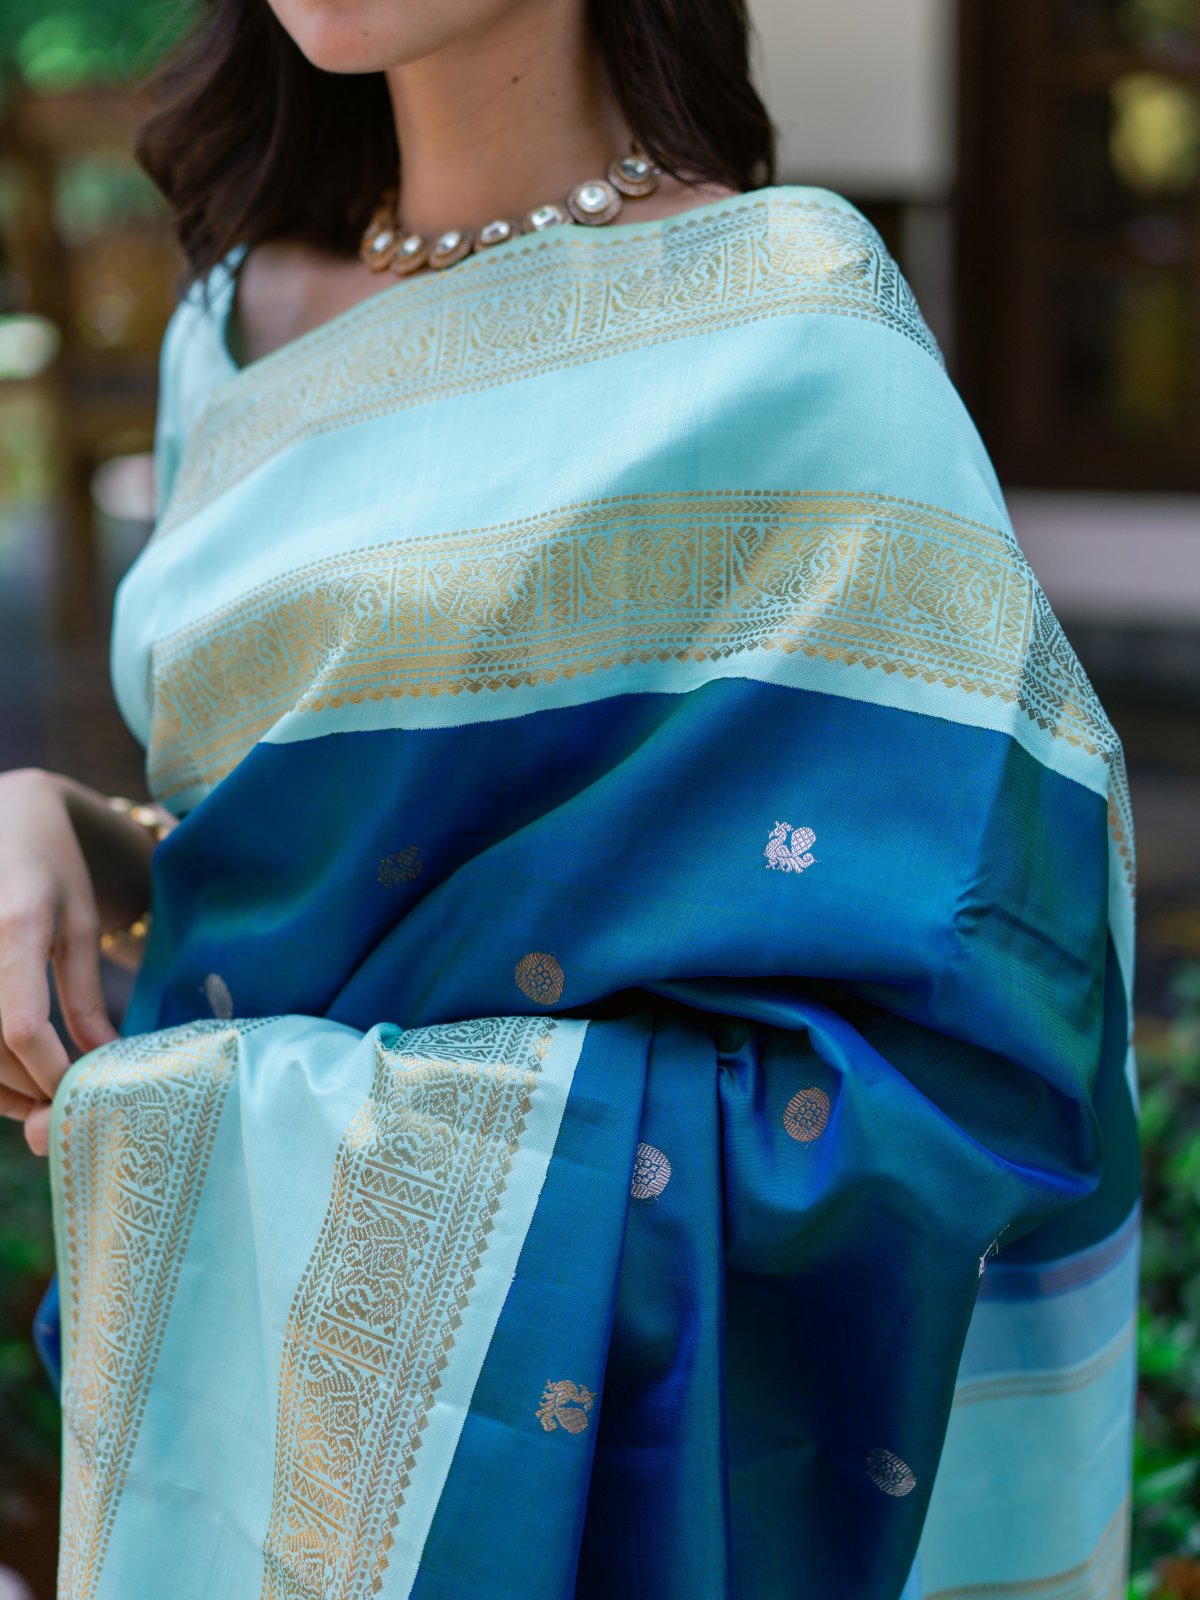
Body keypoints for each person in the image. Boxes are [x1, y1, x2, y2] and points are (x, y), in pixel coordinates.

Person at [0, 0, 1140, 1595]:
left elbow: (985, 1018)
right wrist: (69, 828)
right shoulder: (230, 337)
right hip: (268, 1430)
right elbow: (278, 875)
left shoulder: (798, 328)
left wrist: (262, 1124)